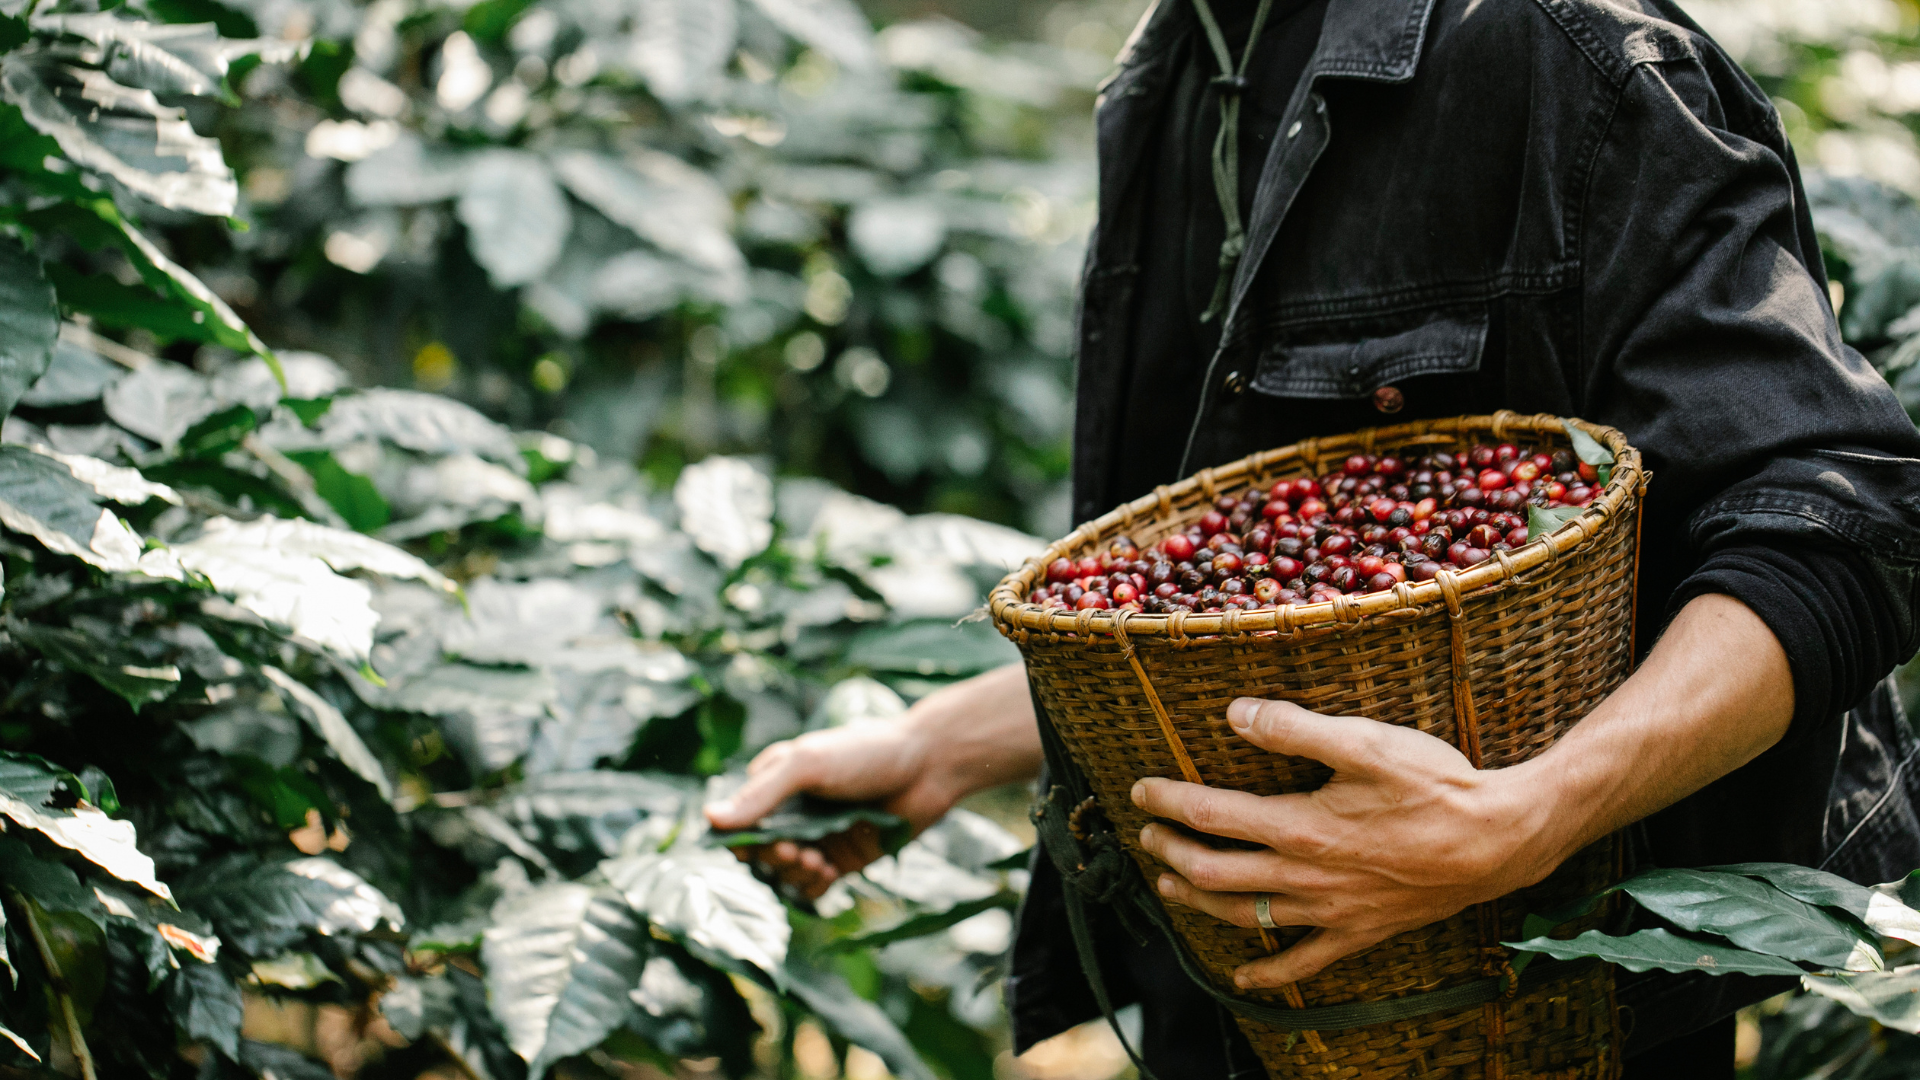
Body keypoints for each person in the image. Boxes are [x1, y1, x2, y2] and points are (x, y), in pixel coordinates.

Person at [706, 0, 1920, 1075]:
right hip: (1238, 999)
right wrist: (933, 751)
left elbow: (1837, 523)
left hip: (1530, 1008)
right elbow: (1237, 617)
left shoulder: (1559, 50)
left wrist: (1529, 814)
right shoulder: (1179, 67)